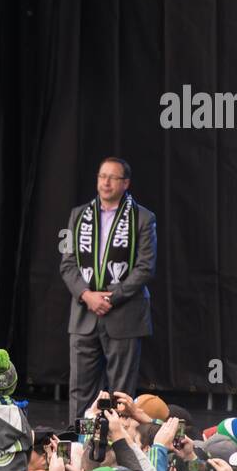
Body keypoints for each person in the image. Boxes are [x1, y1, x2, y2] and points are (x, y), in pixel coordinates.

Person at [60, 157, 157, 423]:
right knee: (80, 389)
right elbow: (67, 265)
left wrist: (112, 297)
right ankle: (78, 448)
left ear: (125, 183)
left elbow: (146, 267)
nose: (105, 182)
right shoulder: (78, 215)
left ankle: (118, 449)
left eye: (112, 177)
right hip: (84, 313)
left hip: (124, 313)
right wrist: (87, 295)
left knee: (120, 393)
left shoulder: (143, 218)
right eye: (102, 176)